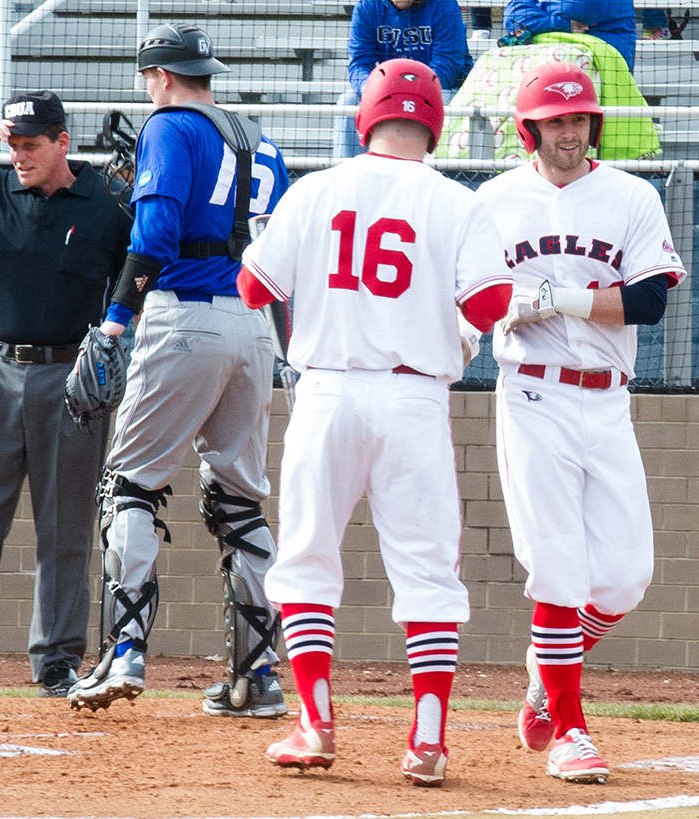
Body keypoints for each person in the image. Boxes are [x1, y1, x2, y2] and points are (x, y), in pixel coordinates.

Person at [238, 58, 511, 785]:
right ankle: (427, 740)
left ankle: (315, 721)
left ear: (368, 114)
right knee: (427, 570)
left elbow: (253, 284)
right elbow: (488, 307)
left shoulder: (317, 188)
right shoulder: (460, 202)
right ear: (433, 121)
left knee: (304, 558)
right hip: (415, 396)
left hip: (327, 388)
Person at [65, 24, 290, 718]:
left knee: (128, 483)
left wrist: (112, 325)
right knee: (238, 501)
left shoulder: (170, 125)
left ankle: (123, 650)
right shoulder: (259, 137)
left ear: (160, 75)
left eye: (148, 80)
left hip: (184, 314)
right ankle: (259, 679)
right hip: (255, 326)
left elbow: (154, 235)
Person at [476, 61, 686, 783]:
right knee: (558, 563)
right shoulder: (496, 198)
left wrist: (561, 297)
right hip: (532, 393)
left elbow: (652, 301)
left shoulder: (630, 195)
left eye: (579, 120)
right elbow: (470, 295)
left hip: (607, 395)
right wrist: (504, 303)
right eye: (555, 121)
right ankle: (569, 726)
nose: (569, 132)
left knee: (626, 576)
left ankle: (546, 661)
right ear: (528, 128)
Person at [0, 91, 131, 698]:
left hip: (73, 378)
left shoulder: (106, 202)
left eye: (33, 145)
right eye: (15, 144)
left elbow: (145, 270)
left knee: (63, 527)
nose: (21, 156)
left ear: (62, 142)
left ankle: (56, 662)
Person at [334, 0, 474, 158]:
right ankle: (346, 169)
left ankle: (437, 174)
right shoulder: (368, 6)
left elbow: (447, 64)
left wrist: (412, 92)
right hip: (388, 87)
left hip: (439, 87)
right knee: (349, 100)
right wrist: (370, 89)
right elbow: (359, 64)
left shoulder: (444, 4)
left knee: (445, 101)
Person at [503, 0, 638, 70]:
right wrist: (564, 24)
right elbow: (513, 17)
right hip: (548, 68)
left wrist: (540, 10)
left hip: (601, 69)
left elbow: (578, 8)